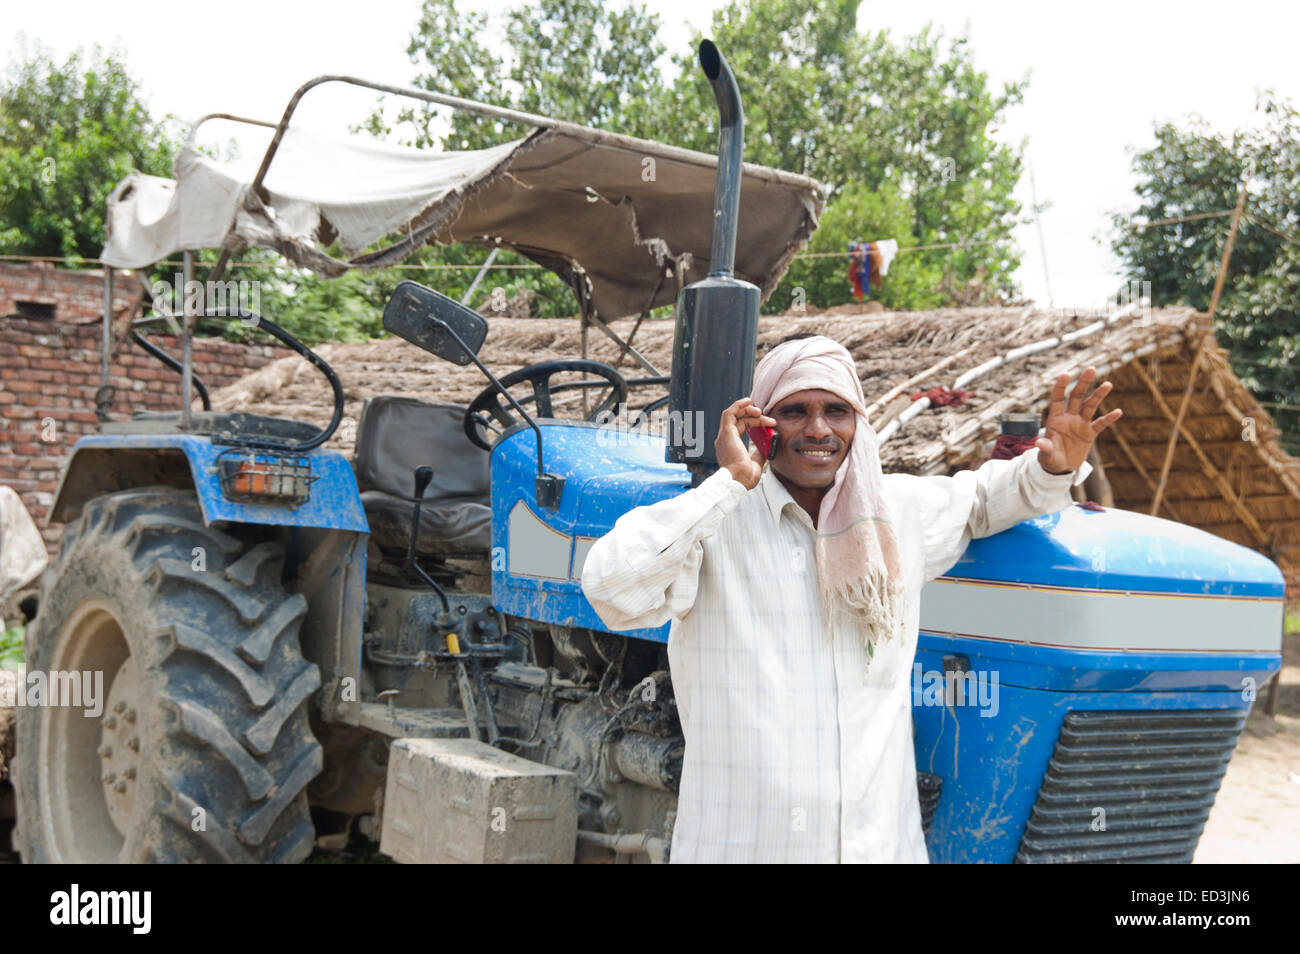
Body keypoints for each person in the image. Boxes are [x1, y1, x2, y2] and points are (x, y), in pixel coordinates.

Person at [580, 335, 1122, 863]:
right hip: (747, 846)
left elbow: (982, 498)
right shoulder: (716, 524)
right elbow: (611, 588)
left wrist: (1055, 464)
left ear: (857, 423)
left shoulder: (897, 515)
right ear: (760, 422)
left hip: (877, 845)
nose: (818, 428)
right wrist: (731, 482)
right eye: (794, 411)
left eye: (836, 410)